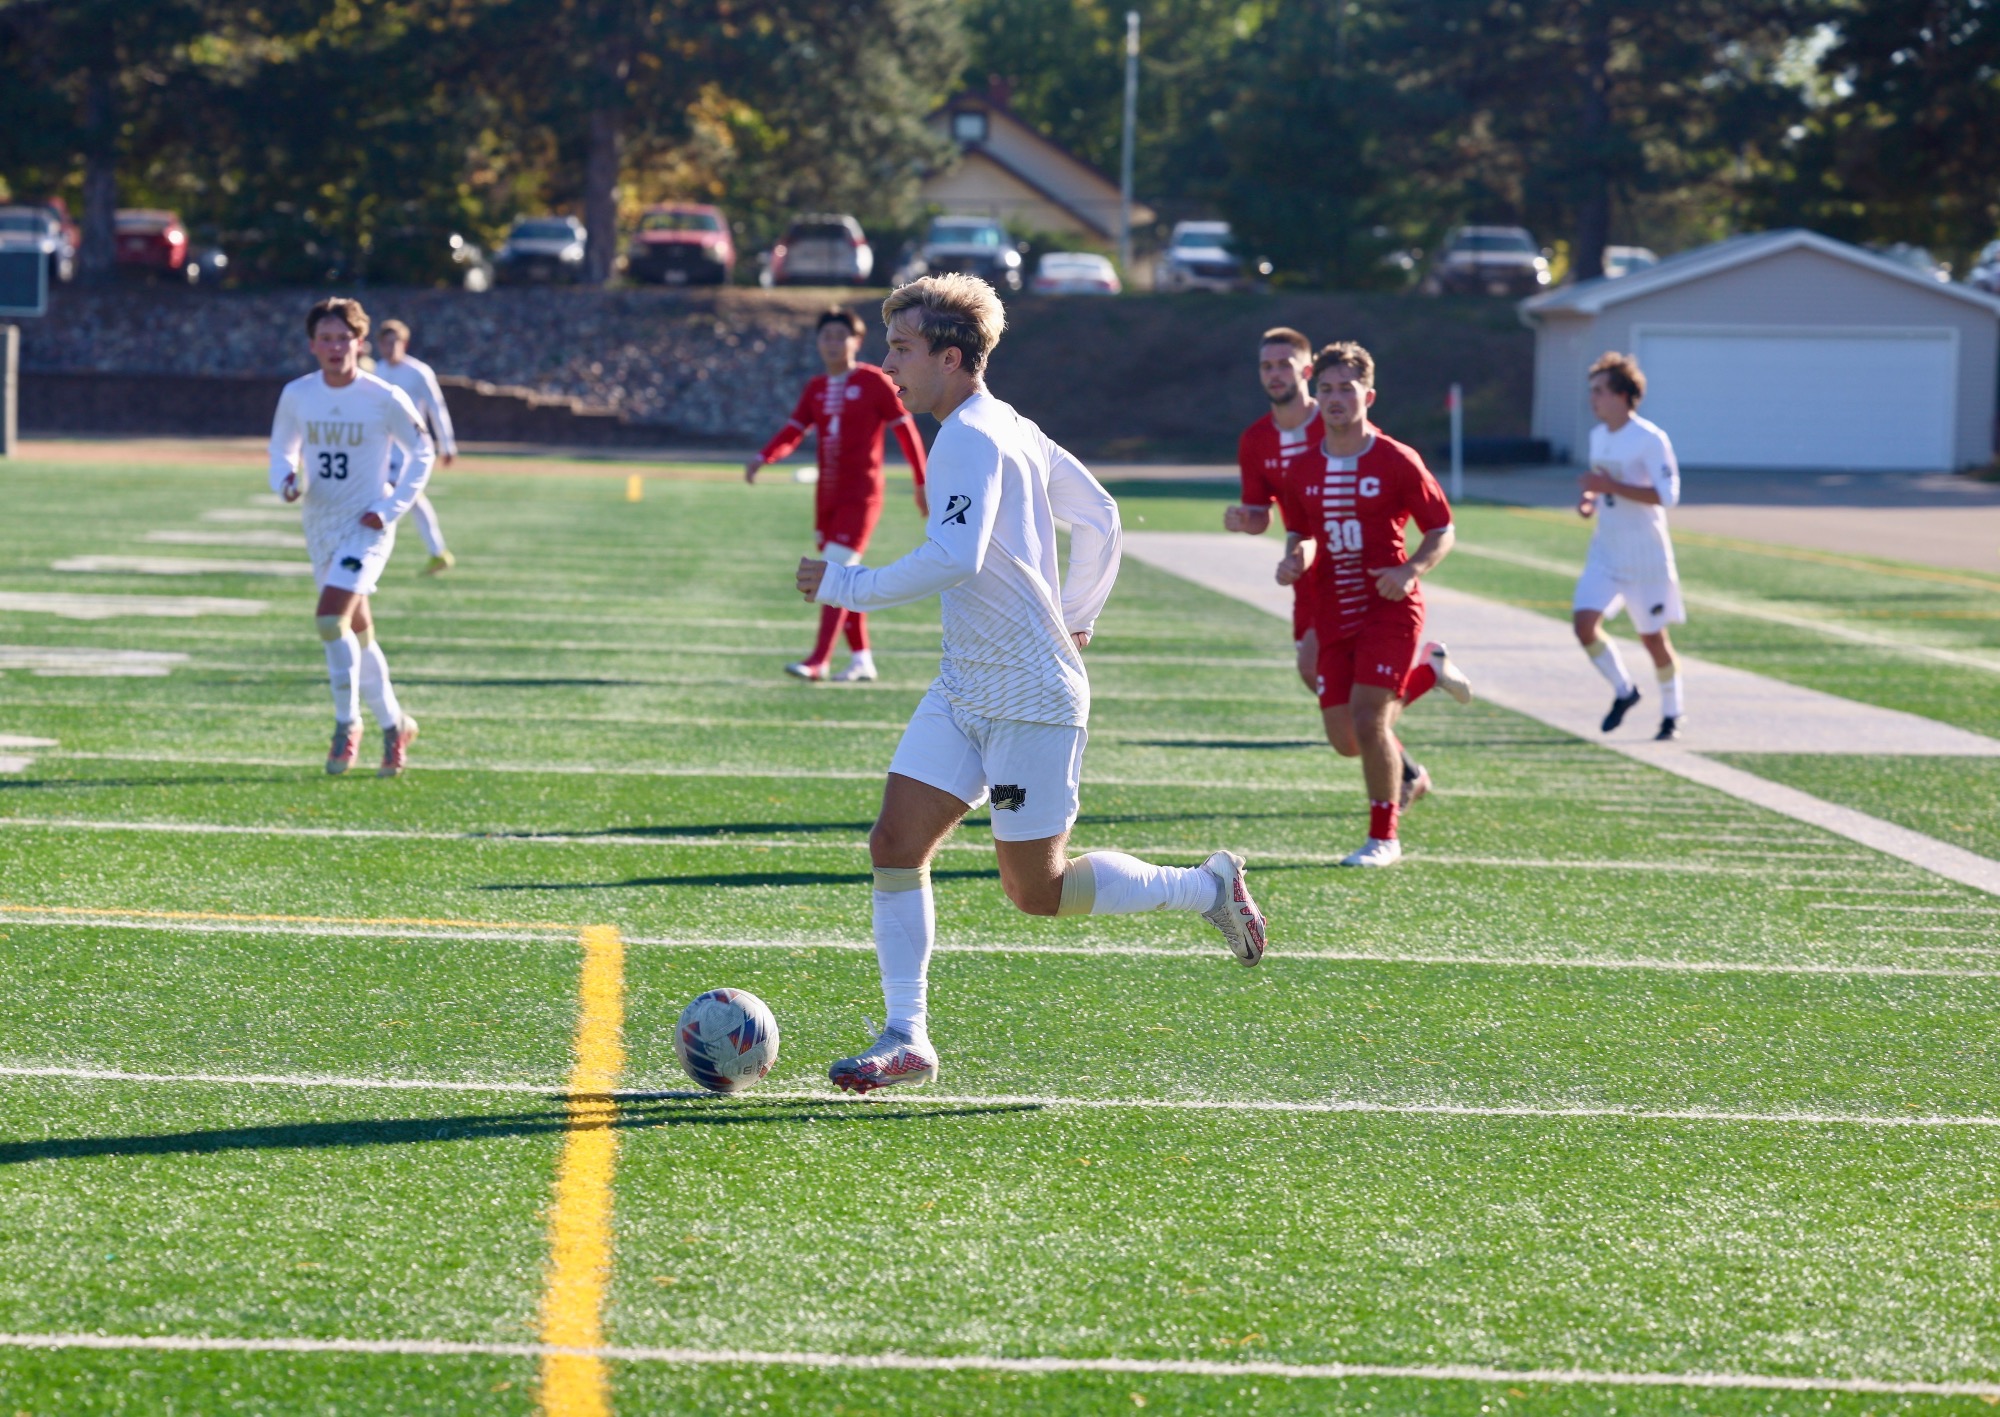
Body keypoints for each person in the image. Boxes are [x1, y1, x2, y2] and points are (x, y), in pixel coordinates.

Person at [795, 274, 1268, 1094]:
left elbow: (956, 556)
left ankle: (1205, 886)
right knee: (894, 843)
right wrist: (1074, 615)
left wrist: (847, 584)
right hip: (965, 684)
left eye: (901, 349)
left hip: (1029, 698)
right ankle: (907, 1036)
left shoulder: (971, 437)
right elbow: (1103, 516)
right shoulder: (1008, 425)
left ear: (950, 357)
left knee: (1037, 892)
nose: (888, 365)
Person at [1274, 342, 1469, 868]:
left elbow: (1442, 529)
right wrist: (1294, 559)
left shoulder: (1396, 460)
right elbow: (1302, 533)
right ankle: (1429, 673)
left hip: (1389, 607)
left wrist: (1411, 570)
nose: (1335, 399)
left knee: (1369, 720)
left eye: (1347, 389)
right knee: (1346, 738)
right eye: (1327, 389)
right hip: (1332, 609)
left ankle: (1384, 837)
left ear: (1369, 395)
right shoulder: (1303, 468)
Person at [268, 297, 433, 777]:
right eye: (326, 338)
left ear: (361, 343)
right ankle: (395, 724)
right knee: (358, 635)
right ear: (312, 344)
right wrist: (285, 479)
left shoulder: (383, 396)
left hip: (366, 526)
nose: (336, 346)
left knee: (328, 619)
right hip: (320, 524)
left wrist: (390, 507)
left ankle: (347, 725)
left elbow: (421, 451)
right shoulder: (298, 394)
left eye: (344, 338)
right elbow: (283, 447)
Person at [749, 307, 930, 682]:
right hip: (826, 499)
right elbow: (793, 431)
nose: (832, 343)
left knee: (832, 572)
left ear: (856, 341)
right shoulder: (816, 387)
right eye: (826, 337)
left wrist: (922, 482)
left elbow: (906, 431)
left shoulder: (874, 382)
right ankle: (862, 659)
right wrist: (763, 456)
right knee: (844, 575)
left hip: (861, 497)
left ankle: (819, 660)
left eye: (840, 336)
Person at [1572, 352, 1686, 740]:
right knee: (1584, 623)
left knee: (1652, 638)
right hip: (1606, 549)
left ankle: (1672, 712)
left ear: (1622, 395)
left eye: (1600, 391)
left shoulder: (1651, 439)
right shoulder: (1598, 437)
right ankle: (1625, 691)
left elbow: (1668, 496)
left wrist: (1609, 487)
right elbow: (1603, 488)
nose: (1594, 399)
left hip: (1645, 554)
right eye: (1592, 391)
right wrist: (1590, 501)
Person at [1222, 327, 1324, 690]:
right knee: (1315, 675)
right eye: (1266, 366)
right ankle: (1428, 675)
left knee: (1336, 674)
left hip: (1352, 560)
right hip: (1302, 569)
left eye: (1284, 364)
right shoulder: (1255, 440)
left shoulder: (1337, 425)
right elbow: (1259, 516)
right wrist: (1243, 519)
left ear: (1307, 371)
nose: (1274, 374)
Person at [373, 319, 459, 576]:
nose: (390, 348)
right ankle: (438, 552)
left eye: (394, 342)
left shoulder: (418, 372)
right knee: (410, 499)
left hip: (410, 448)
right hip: (387, 448)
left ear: (404, 343)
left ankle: (368, 552)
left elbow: (436, 407)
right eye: (385, 343)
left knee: (390, 496)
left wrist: (447, 444)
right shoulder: (378, 370)